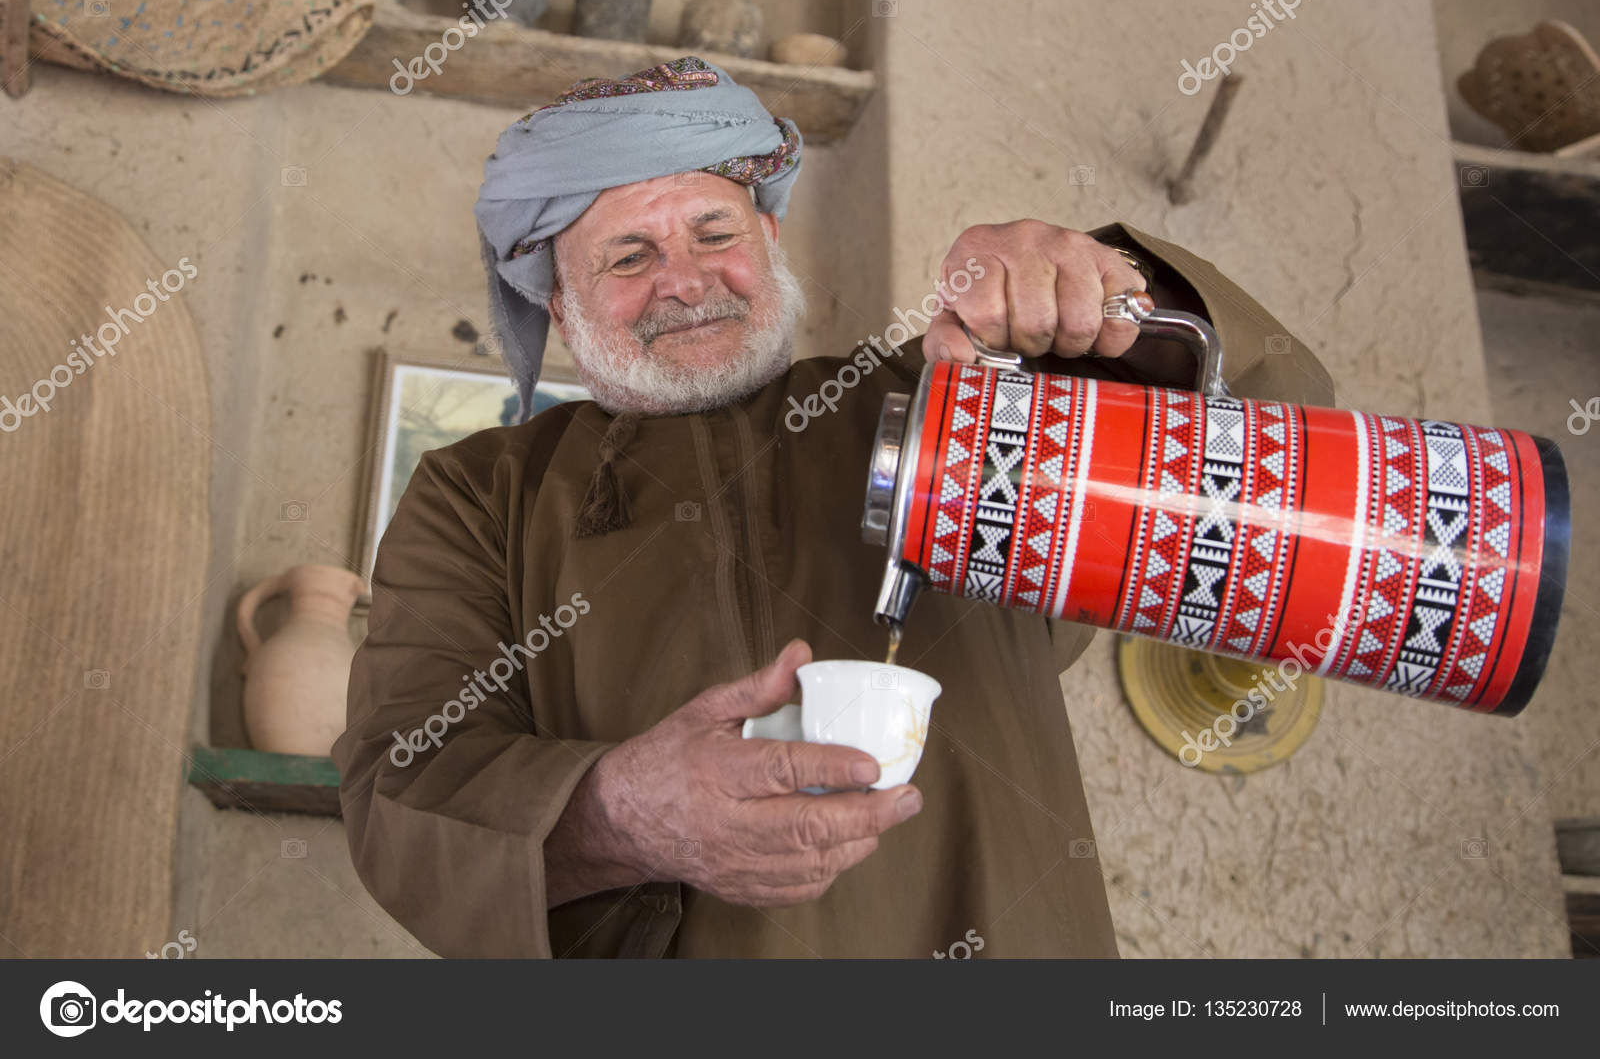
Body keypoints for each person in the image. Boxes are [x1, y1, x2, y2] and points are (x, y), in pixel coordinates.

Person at [332, 56, 1332, 958]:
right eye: (627, 256)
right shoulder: (475, 496)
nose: (684, 283)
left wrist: (1103, 292)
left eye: (713, 231)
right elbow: (401, 798)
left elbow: (1273, 436)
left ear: (767, 235)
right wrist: (624, 811)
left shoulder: (961, 397)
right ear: (556, 298)